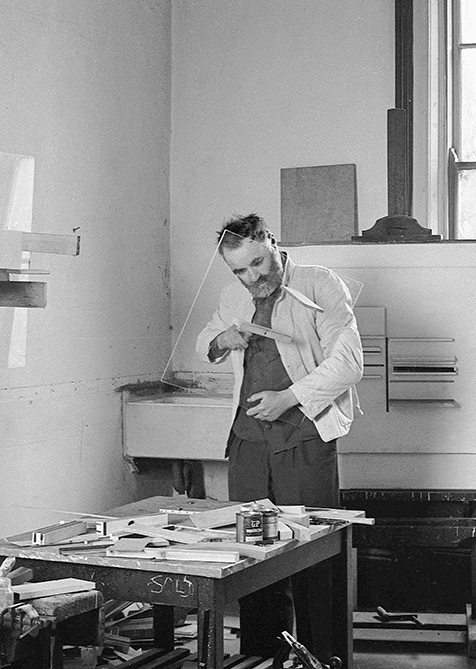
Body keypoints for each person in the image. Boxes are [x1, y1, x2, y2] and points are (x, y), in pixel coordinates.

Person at [196, 213, 363, 661]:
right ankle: (262, 658)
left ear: (272, 243)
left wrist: (288, 398)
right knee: (252, 557)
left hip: (304, 440)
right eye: (240, 270)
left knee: (314, 557)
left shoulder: (319, 284)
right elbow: (205, 341)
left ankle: (322, 659)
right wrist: (222, 339)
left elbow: (349, 364)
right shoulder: (234, 295)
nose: (253, 277)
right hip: (249, 446)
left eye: (258, 263)